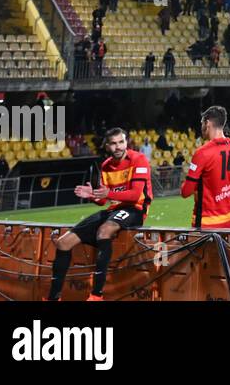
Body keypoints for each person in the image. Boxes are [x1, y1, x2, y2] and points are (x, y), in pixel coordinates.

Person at [46, 128, 152, 301]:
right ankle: (53, 298)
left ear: (126, 142)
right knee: (63, 243)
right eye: (113, 143)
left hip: (136, 209)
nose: (118, 147)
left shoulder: (139, 159)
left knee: (104, 231)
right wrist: (93, 195)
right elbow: (103, 201)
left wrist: (107, 194)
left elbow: (134, 195)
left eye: (121, 142)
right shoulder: (106, 165)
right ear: (107, 146)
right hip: (114, 210)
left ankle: (96, 296)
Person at [180, 106, 230, 229]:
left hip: (206, 222)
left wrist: (185, 183)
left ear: (208, 123)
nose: (201, 127)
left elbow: (185, 192)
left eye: (202, 123)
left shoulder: (202, 153)